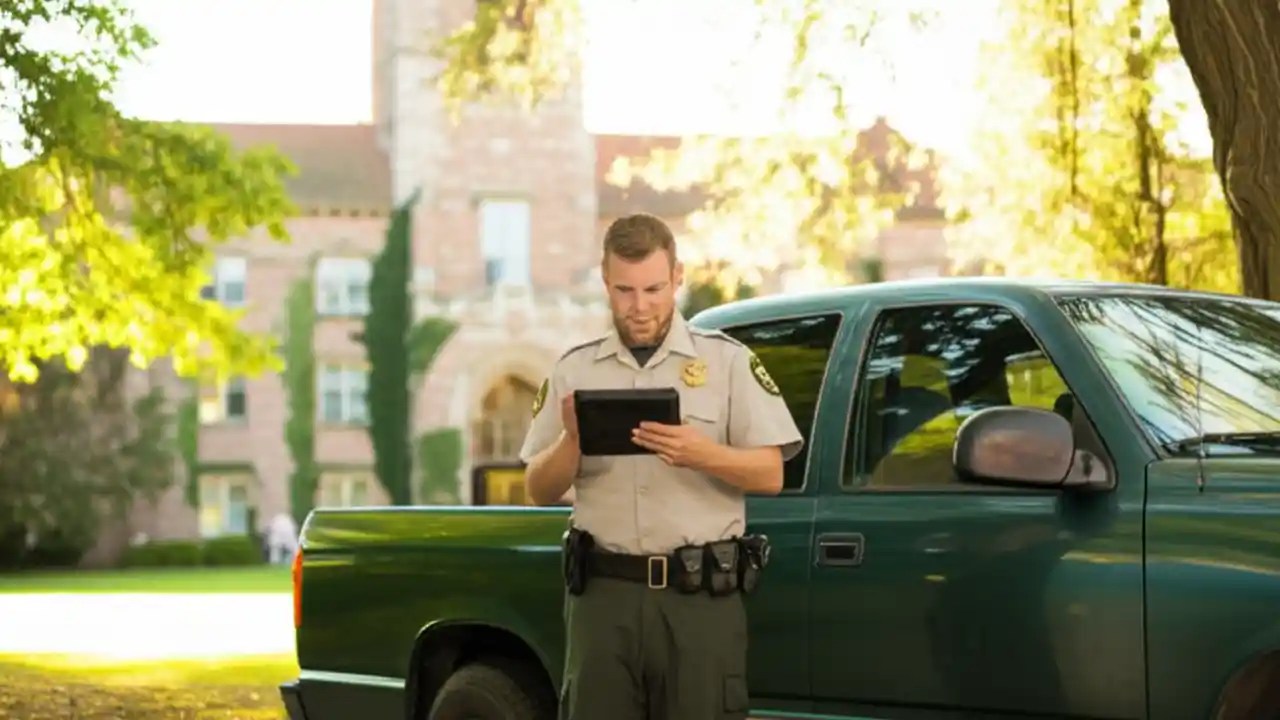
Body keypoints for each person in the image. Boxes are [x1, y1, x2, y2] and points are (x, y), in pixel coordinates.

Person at [518, 213, 804, 720]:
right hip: (604, 601)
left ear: (677, 277)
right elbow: (537, 489)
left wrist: (700, 453)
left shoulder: (728, 362)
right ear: (605, 282)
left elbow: (771, 475)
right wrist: (572, 441)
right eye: (624, 290)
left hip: (697, 602)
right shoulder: (574, 369)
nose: (640, 305)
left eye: (653, 288)